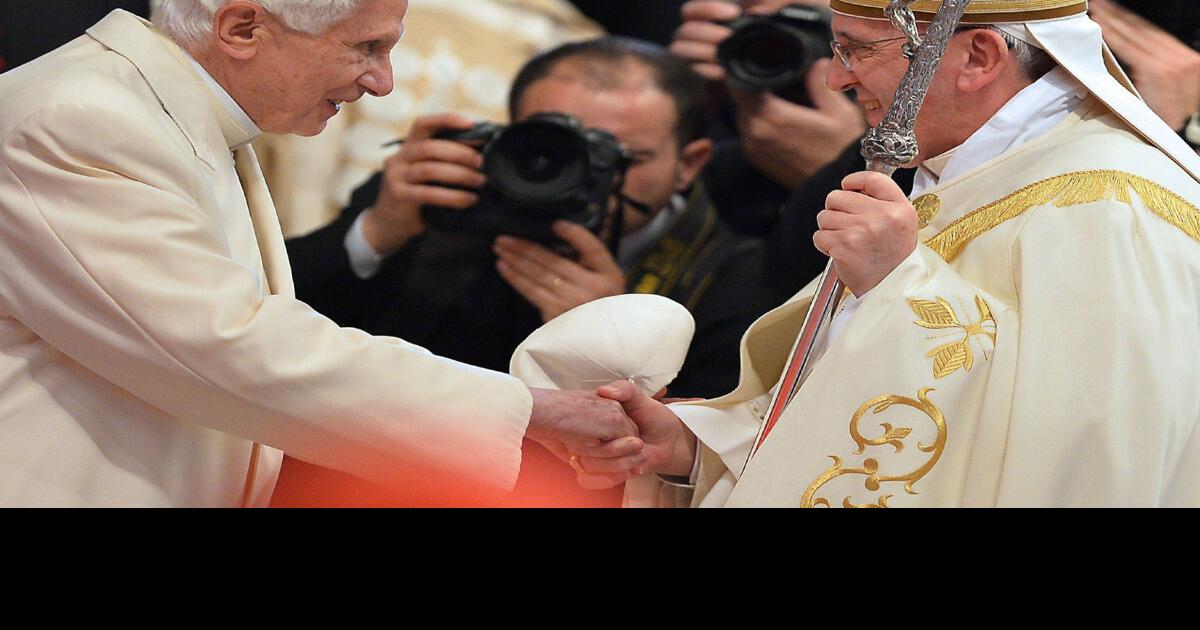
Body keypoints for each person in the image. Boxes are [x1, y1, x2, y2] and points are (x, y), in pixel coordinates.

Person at [0, 0, 641, 507]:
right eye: (367, 46)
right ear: (244, 27)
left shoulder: (164, 108)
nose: (383, 83)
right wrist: (527, 412)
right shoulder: (81, 119)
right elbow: (229, 344)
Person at [580, 0, 1200, 507]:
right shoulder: (968, 172)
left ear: (978, 57)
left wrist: (900, 287)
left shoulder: (1116, 207)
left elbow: (1086, 465)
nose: (834, 77)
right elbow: (877, 418)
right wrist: (702, 449)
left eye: (858, 49)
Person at [279, 36, 782, 506]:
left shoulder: (738, 282)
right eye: (550, 146)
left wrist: (609, 342)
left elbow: (712, 462)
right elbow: (267, 333)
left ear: (690, 163)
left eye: (618, 157)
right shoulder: (444, 201)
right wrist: (374, 233)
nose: (576, 172)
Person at [671, 0, 868, 233]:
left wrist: (847, 169)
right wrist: (679, 109)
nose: (779, 45)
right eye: (768, 23)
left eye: (848, 45)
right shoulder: (719, 158)